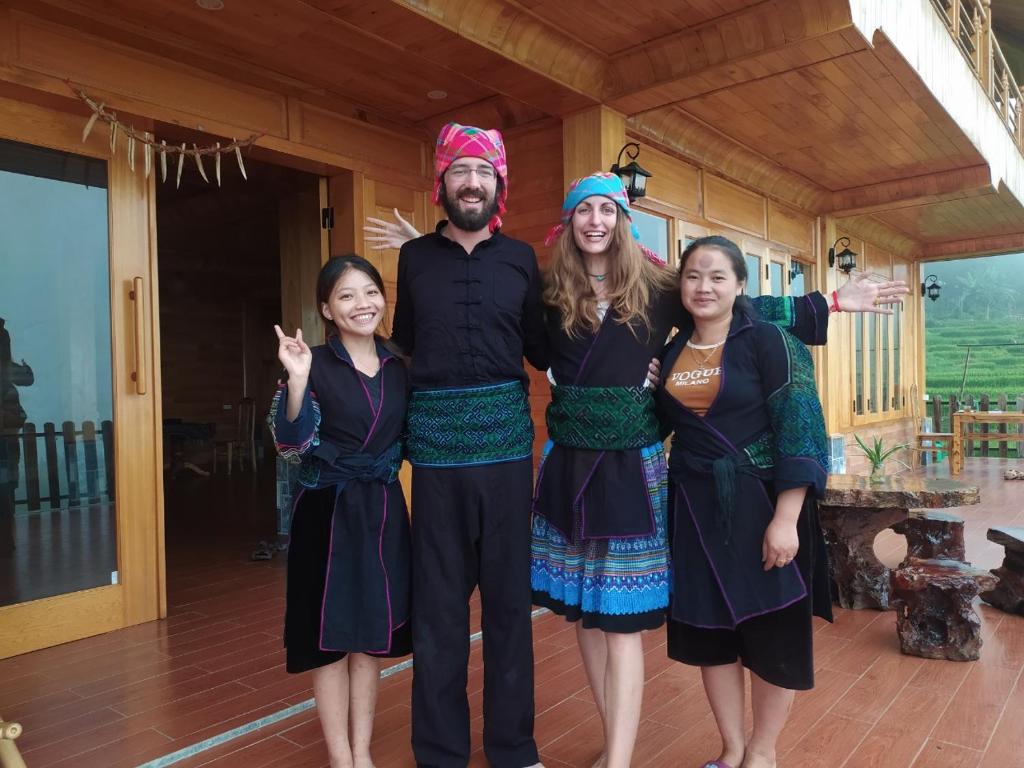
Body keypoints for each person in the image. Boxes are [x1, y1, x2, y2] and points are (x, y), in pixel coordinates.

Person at [369, 172, 908, 768]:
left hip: (632, 464)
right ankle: (611, 742)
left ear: (622, 219)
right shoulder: (549, 289)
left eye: (607, 209)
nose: (595, 221)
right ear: (567, 222)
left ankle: (630, 757)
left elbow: (733, 301)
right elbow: (497, 310)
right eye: (583, 211)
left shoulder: (656, 286)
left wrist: (829, 301)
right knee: (587, 615)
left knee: (621, 620)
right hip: (568, 464)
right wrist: (429, 244)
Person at [390, 123, 547, 768]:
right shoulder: (414, 259)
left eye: (484, 172)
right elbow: (400, 344)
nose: (472, 182)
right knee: (439, 613)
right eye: (461, 171)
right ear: (442, 182)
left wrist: (627, 367)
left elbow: (543, 344)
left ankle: (512, 749)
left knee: (509, 609)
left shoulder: (519, 260)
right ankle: (439, 752)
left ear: (499, 184)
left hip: (508, 456)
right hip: (434, 461)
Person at [656, 235, 832, 768]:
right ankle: (731, 749)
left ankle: (762, 751)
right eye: (692, 275)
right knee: (711, 632)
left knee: (773, 629)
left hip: (761, 504)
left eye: (716, 276)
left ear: (739, 285)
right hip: (694, 506)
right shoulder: (670, 351)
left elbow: (800, 427)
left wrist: (786, 518)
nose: (703, 286)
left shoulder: (771, 341)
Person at [269, 255, 412, 768]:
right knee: (326, 639)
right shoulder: (312, 363)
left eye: (369, 292)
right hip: (325, 512)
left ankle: (364, 752)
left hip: (381, 510)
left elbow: (418, 434)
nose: (362, 304)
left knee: (369, 637)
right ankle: (339, 756)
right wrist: (299, 380)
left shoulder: (401, 364)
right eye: (346, 296)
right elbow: (291, 444)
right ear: (327, 309)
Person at [0, 318, 33, 555]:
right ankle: (6, 543)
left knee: (6, 488)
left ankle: (5, 543)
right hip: (9, 437)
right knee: (7, 490)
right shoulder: (7, 369)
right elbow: (27, 378)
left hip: (8, 438)